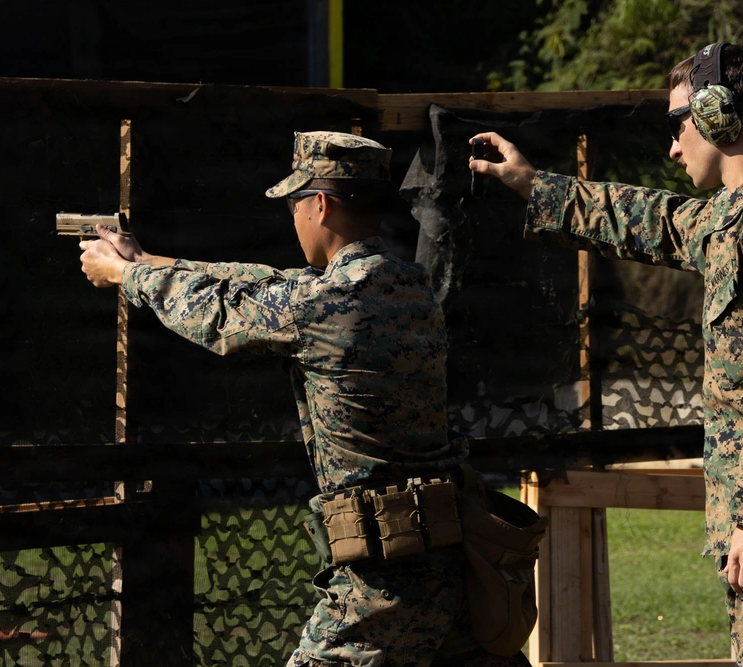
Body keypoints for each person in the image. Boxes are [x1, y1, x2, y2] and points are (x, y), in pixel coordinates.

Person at [80, 131, 529, 666]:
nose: (294, 219)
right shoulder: (409, 286)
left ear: (320, 203)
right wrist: (147, 258)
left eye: (296, 203)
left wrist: (126, 275)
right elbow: (262, 284)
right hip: (449, 560)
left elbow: (221, 314)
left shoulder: (326, 304)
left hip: (383, 578)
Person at [469, 43, 743, 662]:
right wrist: (532, 185)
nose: (673, 146)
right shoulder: (737, 217)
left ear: (718, 113)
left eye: (677, 123)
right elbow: (647, 218)